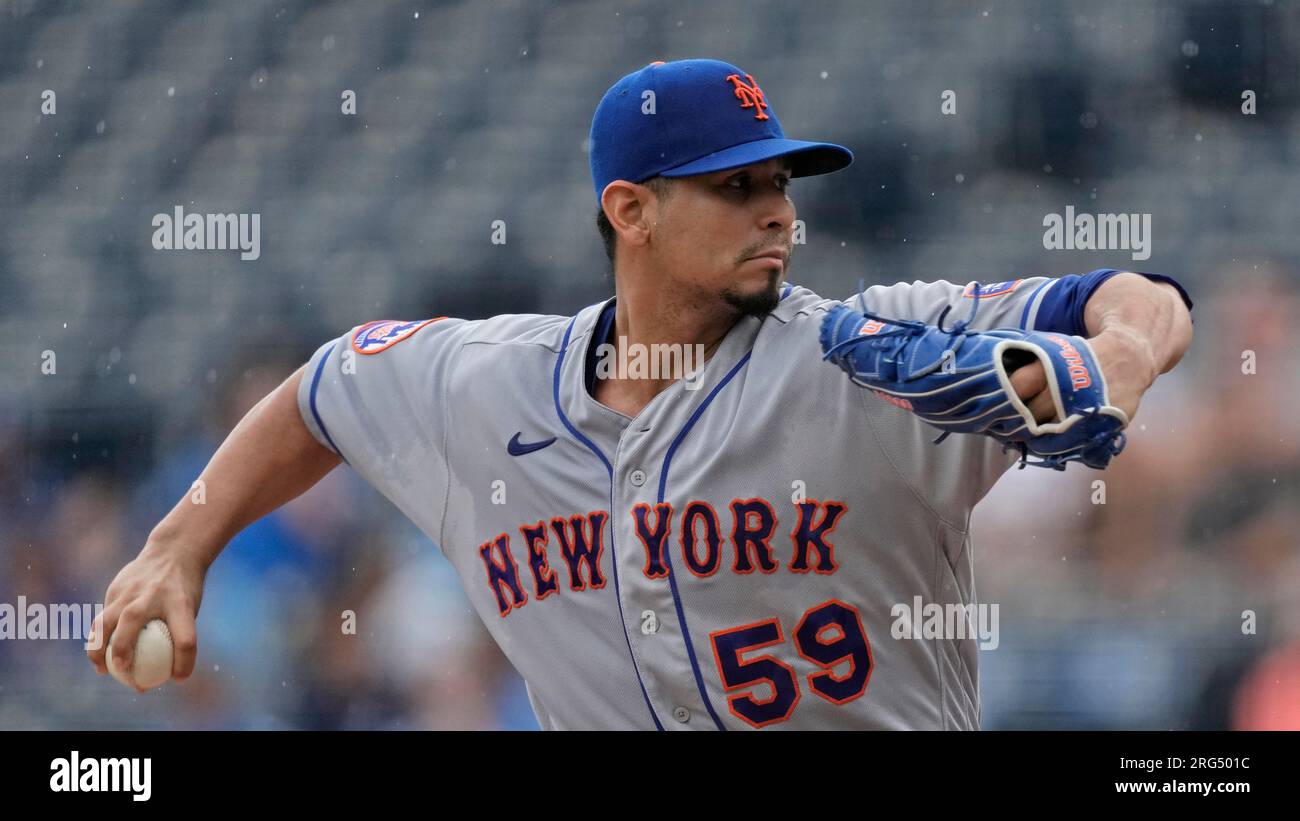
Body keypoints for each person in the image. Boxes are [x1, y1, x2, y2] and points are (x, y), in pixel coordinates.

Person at [88, 59, 1193, 730]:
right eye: (734, 185)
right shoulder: (485, 385)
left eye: (780, 183)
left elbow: (1136, 296)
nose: (776, 211)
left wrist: (1121, 362)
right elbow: (322, 390)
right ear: (630, 210)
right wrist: (181, 544)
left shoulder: (872, 351)